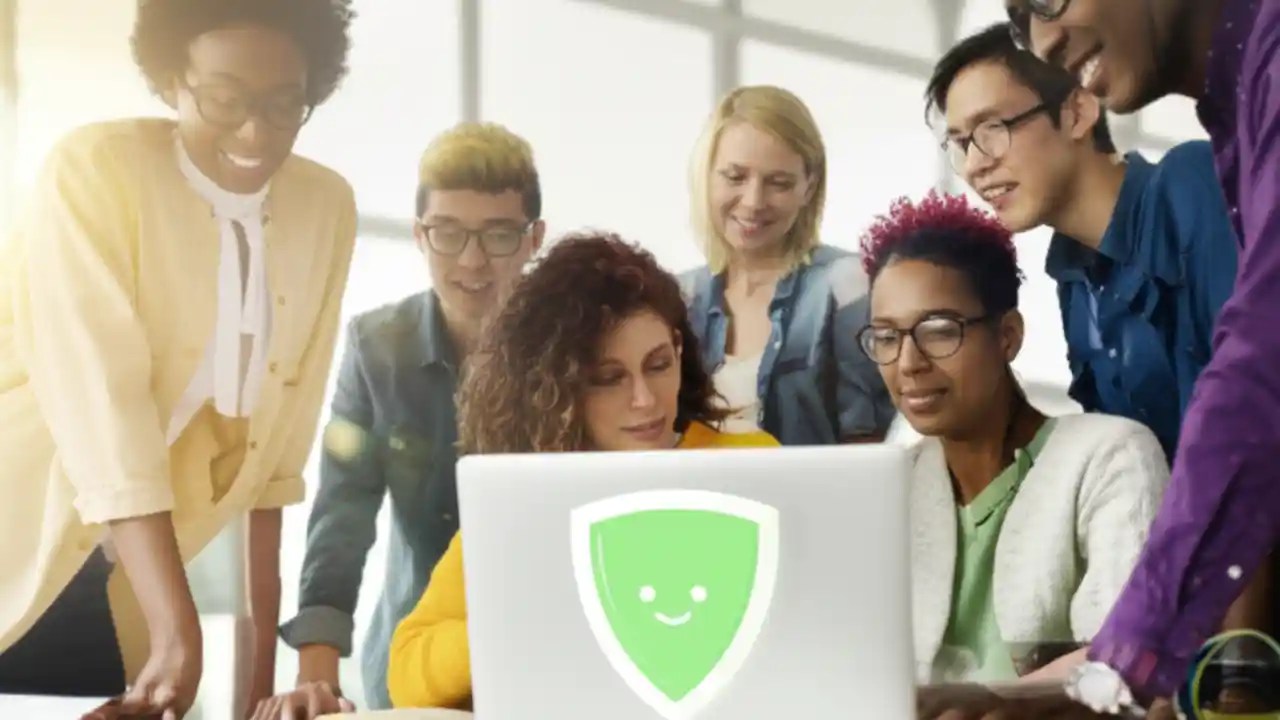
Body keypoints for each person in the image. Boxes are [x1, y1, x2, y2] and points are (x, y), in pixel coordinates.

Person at [0, 0, 356, 716]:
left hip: (123, 598)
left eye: (284, 105)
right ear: (171, 80)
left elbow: (272, 469)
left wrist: (262, 684)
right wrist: (177, 629)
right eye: (225, 99)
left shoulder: (325, 207)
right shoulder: (94, 170)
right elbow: (103, 412)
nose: (256, 132)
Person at [1003, 0, 1280, 714]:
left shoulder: (1198, 171)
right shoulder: (1072, 282)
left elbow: (1257, 387)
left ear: (1075, 116)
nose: (1044, 39)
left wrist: (1147, 668)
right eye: (1020, 19)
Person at [384, 232, 780, 709]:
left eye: (658, 365)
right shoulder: (523, 499)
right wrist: (520, 622)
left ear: (679, 350)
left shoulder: (754, 462)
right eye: (609, 379)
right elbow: (407, 672)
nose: (645, 399)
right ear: (558, 390)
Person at [259, 123, 545, 718]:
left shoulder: (574, 348)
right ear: (420, 235)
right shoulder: (376, 347)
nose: (471, 260)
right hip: (414, 663)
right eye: (448, 233)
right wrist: (317, 677)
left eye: (498, 235)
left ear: (533, 239)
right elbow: (343, 512)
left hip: (540, 647)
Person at [858, 191, 1168, 686]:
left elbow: (1125, 661)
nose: (909, 363)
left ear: (1007, 336)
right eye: (887, 337)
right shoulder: (892, 488)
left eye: (939, 330)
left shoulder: (1111, 456)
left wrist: (994, 705)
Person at [926, 22, 1239, 463]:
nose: (975, 165)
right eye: (961, 143)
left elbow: (1249, 396)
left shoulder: (1188, 187)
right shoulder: (1074, 279)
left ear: (1077, 112)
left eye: (992, 128)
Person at [682, 85, 895, 445]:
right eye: (735, 177)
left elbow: (867, 444)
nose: (753, 201)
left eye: (779, 183)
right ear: (706, 175)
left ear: (809, 188)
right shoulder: (679, 298)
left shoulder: (846, 286)